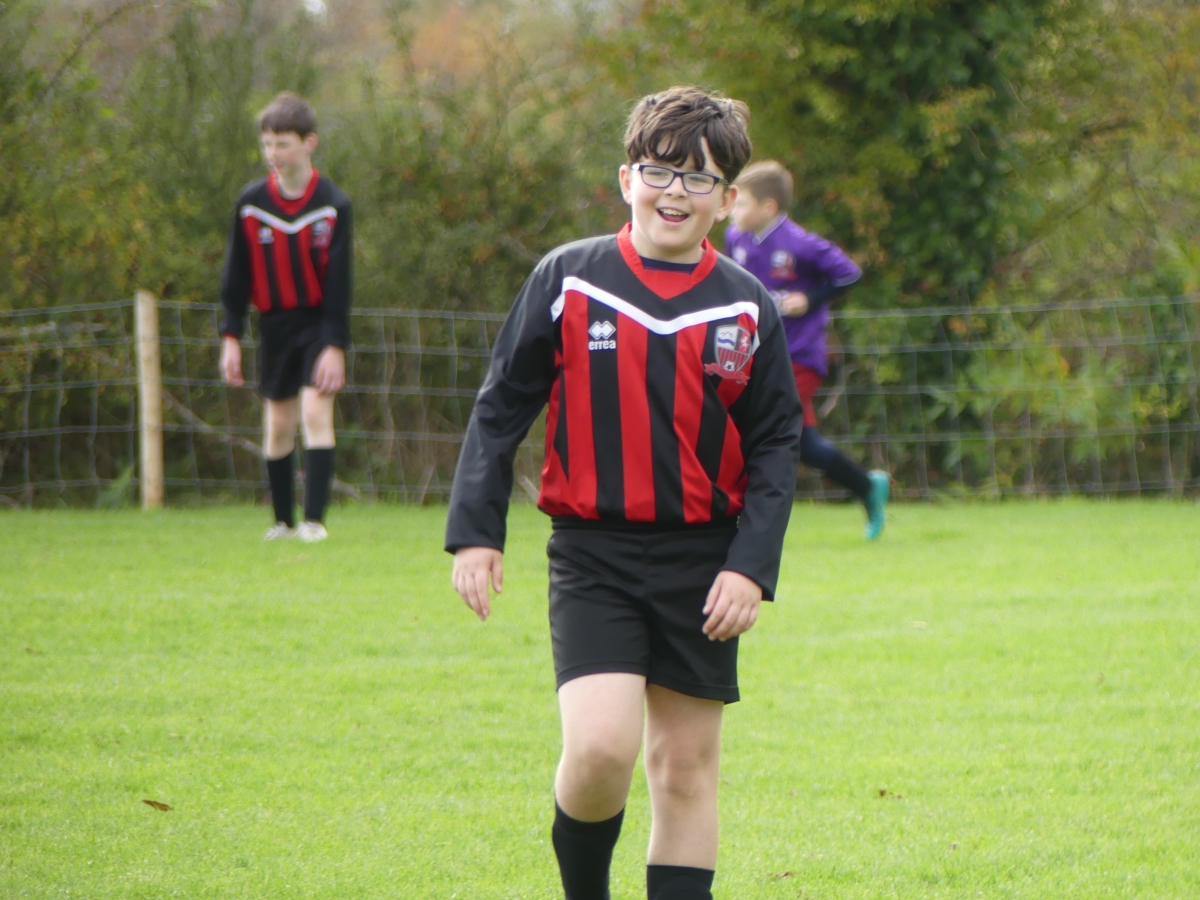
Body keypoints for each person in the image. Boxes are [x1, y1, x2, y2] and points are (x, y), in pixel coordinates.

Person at [445, 86, 803, 900]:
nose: (675, 192)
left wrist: (751, 566)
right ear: (626, 178)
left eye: (699, 179)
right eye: (660, 171)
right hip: (594, 555)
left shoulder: (747, 306)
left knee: (683, 768)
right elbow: (501, 407)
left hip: (704, 563)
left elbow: (778, 442)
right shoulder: (568, 279)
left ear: (726, 199)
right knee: (602, 749)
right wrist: (477, 530)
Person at [725, 160, 889, 539]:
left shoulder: (799, 243)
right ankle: (867, 486)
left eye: (741, 203)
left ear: (767, 207)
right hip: (755, 353)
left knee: (761, 428)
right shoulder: (737, 240)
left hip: (798, 354)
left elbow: (849, 272)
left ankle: (742, 520)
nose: (733, 211)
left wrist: (809, 299)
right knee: (802, 442)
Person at [218, 92, 353, 542]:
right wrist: (230, 335)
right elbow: (236, 275)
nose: (274, 154)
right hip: (273, 326)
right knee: (277, 424)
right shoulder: (251, 203)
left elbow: (340, 281)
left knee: (316, 412)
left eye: (283, 144)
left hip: (318, 325)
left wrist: (335, 344)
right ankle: (282, 521)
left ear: (309, 142)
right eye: (268, 144)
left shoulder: (334, 204)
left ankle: (314, 522)